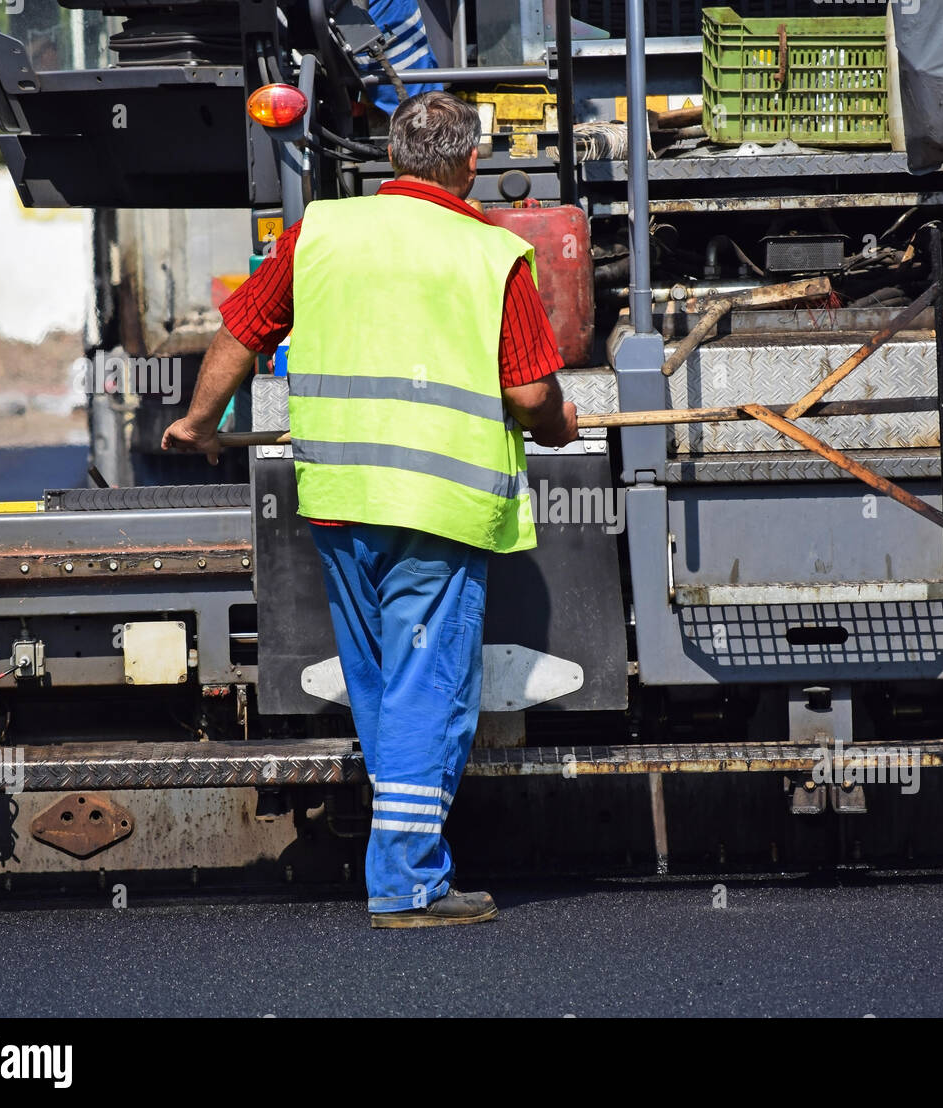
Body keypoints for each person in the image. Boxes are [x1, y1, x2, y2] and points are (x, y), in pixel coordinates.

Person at [163, 90, 578, 927]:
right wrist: (562, 424)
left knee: (384, 688)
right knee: (428, 691)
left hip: (341, 501)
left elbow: (243, 332)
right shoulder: (489, 255)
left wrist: (198, 421)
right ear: (469, 165)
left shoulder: (319, 231)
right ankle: (408, 883)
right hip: (438, 506)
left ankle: (401, 863)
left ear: (391, 158)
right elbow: (531, 393)